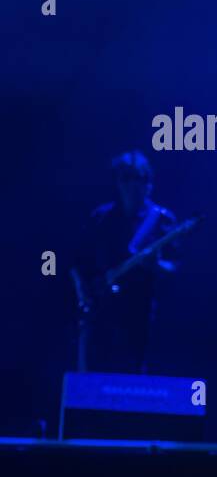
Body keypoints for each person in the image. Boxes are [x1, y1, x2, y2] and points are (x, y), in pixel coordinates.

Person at [71, 150, 179, 373]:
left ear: (148, 183)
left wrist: (155, 266)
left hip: (141, 317)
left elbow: (175, 267)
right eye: (125, 178)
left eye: (138, 178)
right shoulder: (101, 217)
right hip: (101, 316)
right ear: (117, 182)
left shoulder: (161, 219)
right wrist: (84, 294)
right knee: (94, 382)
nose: (131, 185)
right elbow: (77, 263)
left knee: (135, 384)